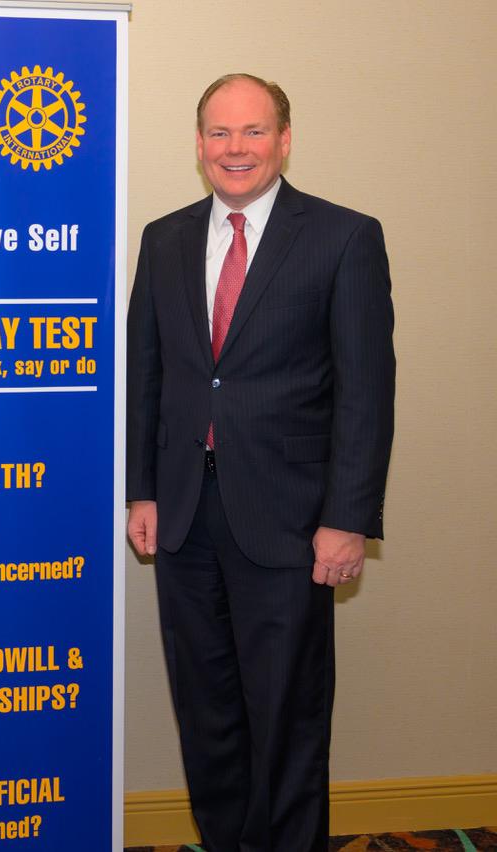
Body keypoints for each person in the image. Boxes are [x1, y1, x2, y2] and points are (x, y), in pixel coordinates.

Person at [125, 74, 395, 852]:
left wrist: (347, 519)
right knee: (207, 716)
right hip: (183, 519)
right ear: (199, 143)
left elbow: (365, 393)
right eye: (218, 133)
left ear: (284, 138)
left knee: (288, 718)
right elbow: (151, 375)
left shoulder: (344, 237)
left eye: (251, 132)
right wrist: (142, 490)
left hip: (292, 522)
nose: (234, 149)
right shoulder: (165, 237)